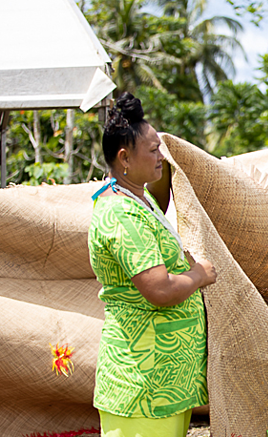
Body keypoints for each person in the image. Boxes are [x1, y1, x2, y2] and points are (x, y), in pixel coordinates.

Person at [88, 92, 217, 437]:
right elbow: (159, 290)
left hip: (163, 380)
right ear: (125, 158)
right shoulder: (121, 214)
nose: (162, 156)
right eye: (153, 149)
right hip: (142, 380)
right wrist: (198, 276)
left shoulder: (139, 200)